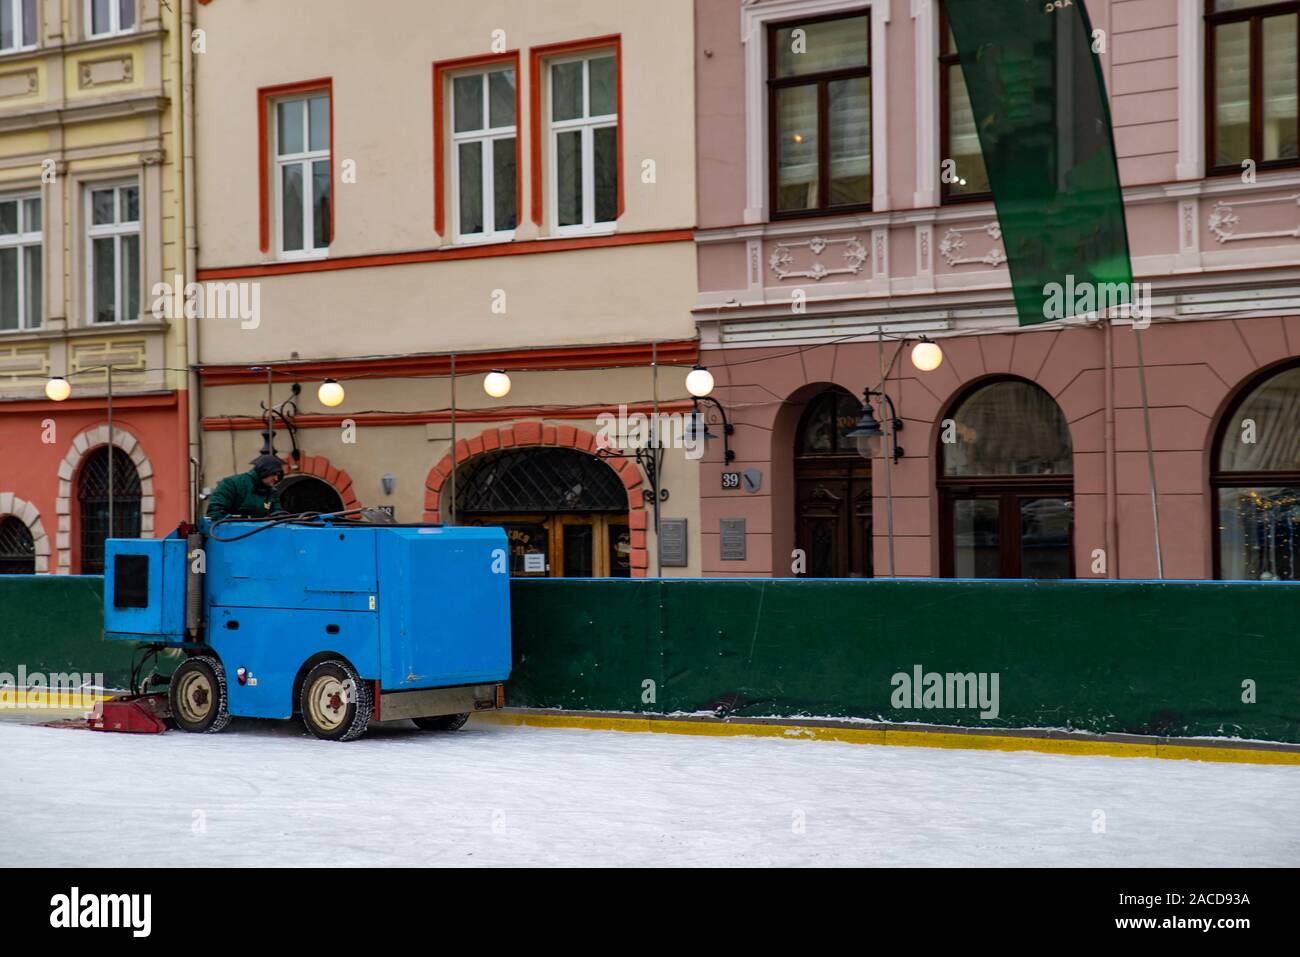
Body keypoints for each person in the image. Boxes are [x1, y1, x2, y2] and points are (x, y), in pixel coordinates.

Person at [205, 454, 286, 520]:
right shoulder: (231, 484)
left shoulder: (272, 492)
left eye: (278, 475)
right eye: (274, 474)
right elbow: (215, 513)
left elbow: (278, 515)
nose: (276, 479)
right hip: (232, 535)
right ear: (264, 472)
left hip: (262, 535)